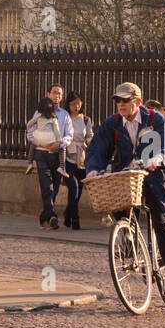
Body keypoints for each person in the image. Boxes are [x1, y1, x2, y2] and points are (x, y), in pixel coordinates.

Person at [85, 82, 165, 293]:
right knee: (122, 210)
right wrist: (93, 169)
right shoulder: (112, 123)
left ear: (137, 102)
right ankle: (129, 242)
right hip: (128, 178)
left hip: (155, 175)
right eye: (117, 101)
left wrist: (159, 156)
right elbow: (98, 148)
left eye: (125, 100)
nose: (120, 104)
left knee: (160, 218)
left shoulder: (155, 119)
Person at [26, 94, 72, 229]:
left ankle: (45, 217)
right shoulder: (38, 115)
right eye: (54, 92)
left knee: (55, 188)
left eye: (59, 93)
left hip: (56, 153)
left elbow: (68, 134)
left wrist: (59, 143)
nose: (57, 95)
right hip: (41, 152)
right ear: (49, 94)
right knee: (46, 186)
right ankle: (51, 215)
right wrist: (44, 143)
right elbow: (30, 133)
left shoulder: (62, 116)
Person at [61, 91, 91, 229]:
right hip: (67, 156)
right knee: (73, 186)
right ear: (68, 105)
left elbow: (90, 135)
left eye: (78, 103)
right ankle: (75, 219)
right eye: (73, 104)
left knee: (79, 190)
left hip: (81, 157)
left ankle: (68, 213)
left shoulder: (86, 120)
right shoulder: (65, 118)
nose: (76, 106)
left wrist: (89, 142)